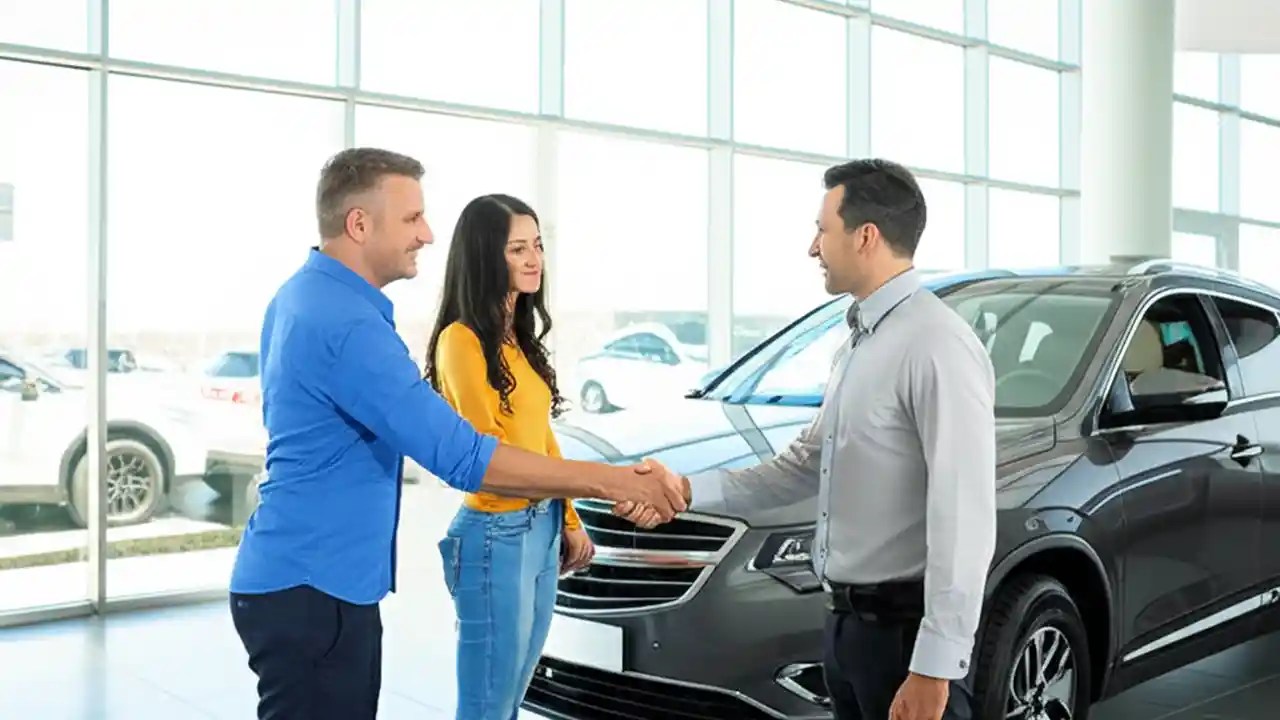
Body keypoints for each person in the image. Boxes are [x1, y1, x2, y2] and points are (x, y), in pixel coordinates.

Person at [228, 147, 689, 720]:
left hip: (308, 580)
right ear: (359, 224)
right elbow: (465, 457)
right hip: (313, 587)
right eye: (412, 218)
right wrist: (617, 482)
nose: (426, 234)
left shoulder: (305, 295)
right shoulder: (346, 324)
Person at [617, 159, 997, 720]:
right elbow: (800, 468)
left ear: (865, 236)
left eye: (823, 229)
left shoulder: (936, 344)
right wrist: (684, 489)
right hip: (848, 630)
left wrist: (934, 667)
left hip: (904, 637)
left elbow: (964, 516)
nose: (813, 247)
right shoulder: (860, 343)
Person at [423, 193, 592, 719]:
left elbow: (541, 438)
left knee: (512, 696)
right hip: (496, 533)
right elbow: (488, 455)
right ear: (484, 256)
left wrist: (569, 518)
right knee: (487, 706)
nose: (534, 259)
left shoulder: (517, 340)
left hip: (541, 526)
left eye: (537, 245)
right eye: (517, 249)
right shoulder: (460, 341)